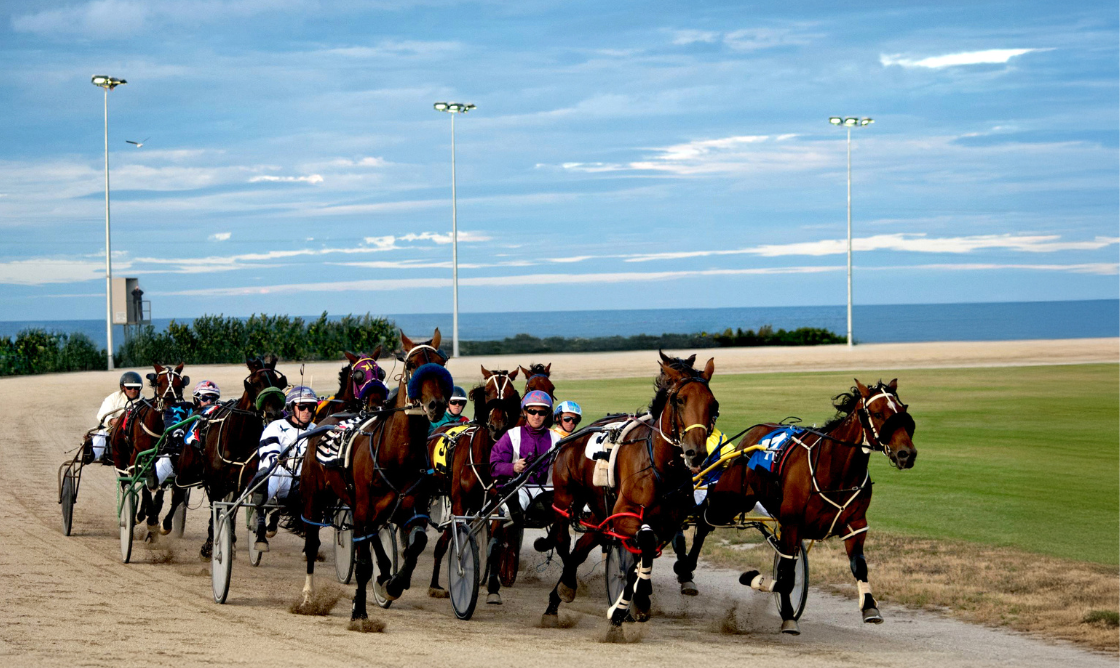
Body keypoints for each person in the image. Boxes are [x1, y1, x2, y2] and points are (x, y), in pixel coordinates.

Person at [486, 390, 561, 604]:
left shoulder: (556, 439)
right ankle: (516, 512)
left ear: (547, 415)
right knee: (514, 504)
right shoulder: (512, 436)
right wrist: (512, 467)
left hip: (545, 490)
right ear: (525, 412)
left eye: (542, 412)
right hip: (516, 487)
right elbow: (494, 466)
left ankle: (547, 535)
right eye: (532, 411)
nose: (537, 416)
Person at [252, 385, 317, 552]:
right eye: (302, 407)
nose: (307, 411)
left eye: (311, 407)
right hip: (279, 476)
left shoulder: (316, 430)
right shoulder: (276, 427)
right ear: (290, 407)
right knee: (271, 472)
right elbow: (268, 455)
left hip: (304, 481)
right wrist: (284, 462)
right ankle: (261, 515)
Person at [89, 371, 144, 464]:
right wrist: (111, 420)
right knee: (102, 434)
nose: (133, 390)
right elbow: (102, 413)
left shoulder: (144, 402)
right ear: (123, 387)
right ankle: (92, 455)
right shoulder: (113, 398)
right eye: (129, 387)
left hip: (133, 434)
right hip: (112, 430)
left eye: (136, 388)